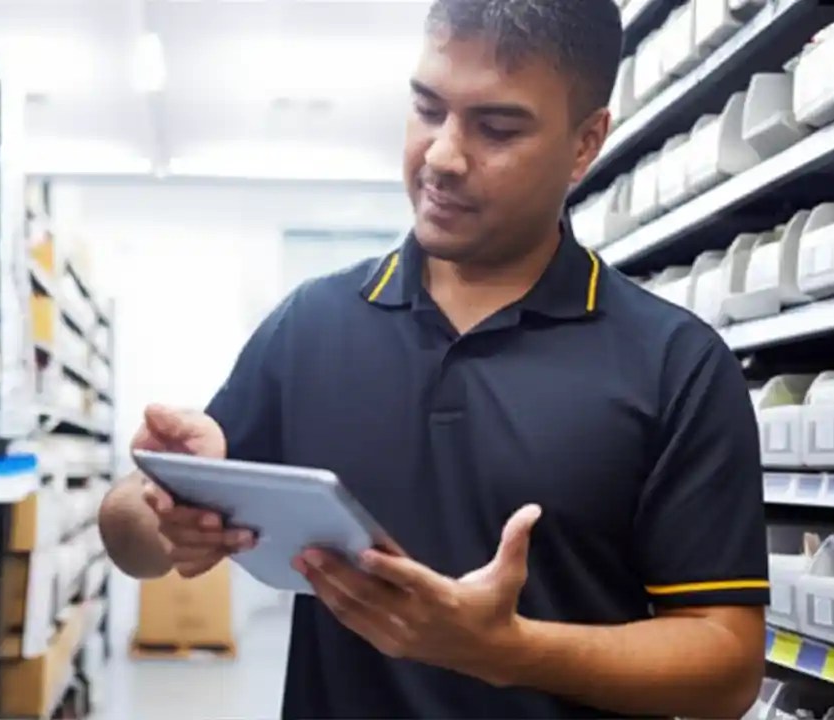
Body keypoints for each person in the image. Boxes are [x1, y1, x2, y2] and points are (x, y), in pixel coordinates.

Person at [99, 0, 769, 717]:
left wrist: (507, 650)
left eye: (497, 127)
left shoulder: (676, 366)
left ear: (585, 144)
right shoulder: (314, 324)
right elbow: (130, 539)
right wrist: (163, 503)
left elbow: (726, 665)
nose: (443, 156)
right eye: (427, 108)